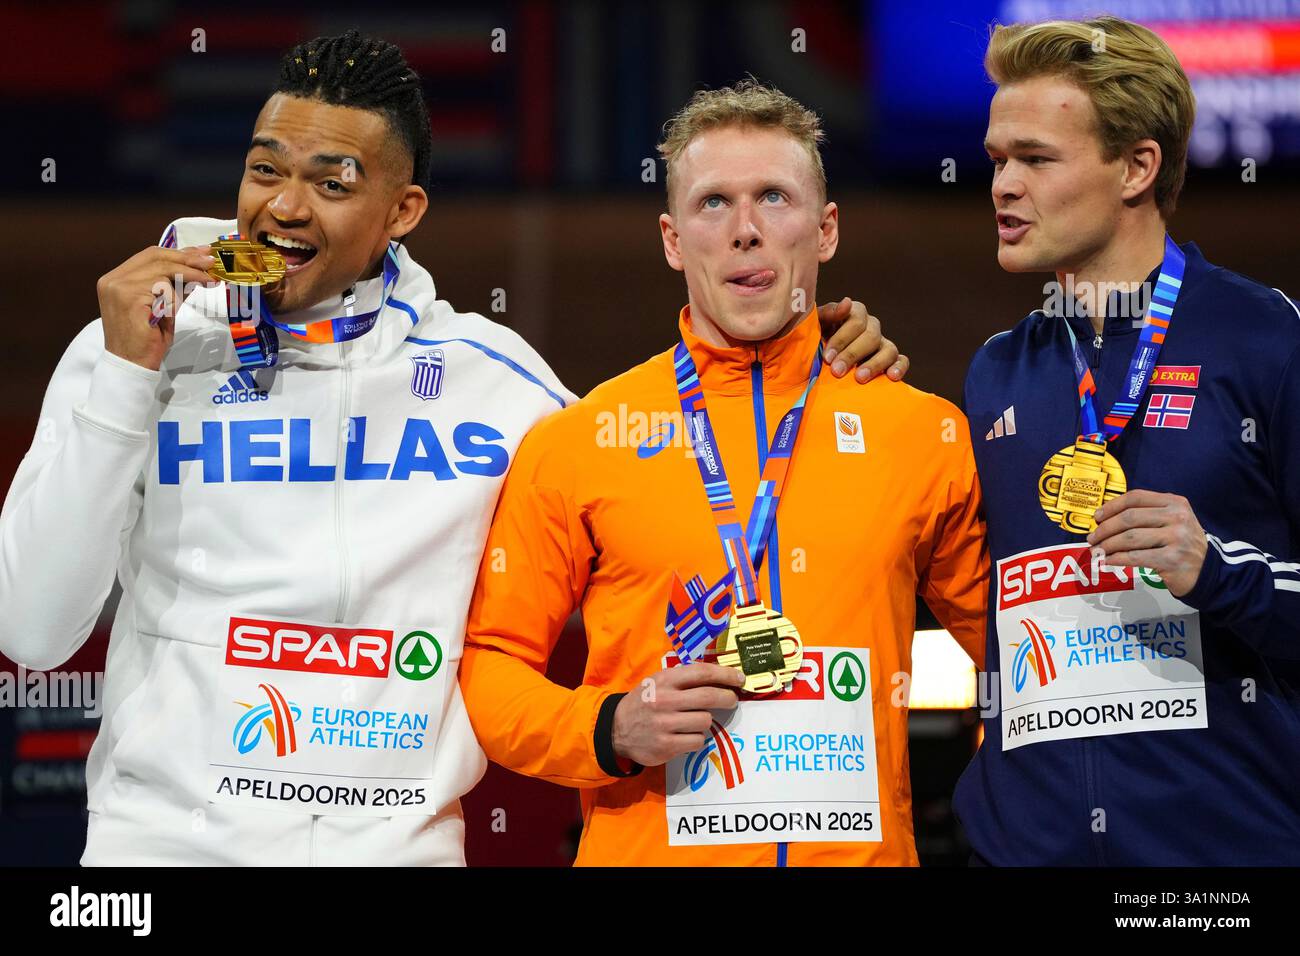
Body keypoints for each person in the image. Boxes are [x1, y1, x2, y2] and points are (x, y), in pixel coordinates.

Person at [0, 33, 900, 866]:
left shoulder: (491, 378)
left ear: (404, 209)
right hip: (160, 855)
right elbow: (32, 633)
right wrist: (124, 376)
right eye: (264, 169)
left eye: (333, 181)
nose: (281, 204)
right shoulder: (139, 350)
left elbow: (672, 474)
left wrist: (807, 365)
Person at [458, 80, 988, 866]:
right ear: (673, 239)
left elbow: (1015, 654)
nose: (745, 231)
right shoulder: (583, 439)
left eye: (774, 197)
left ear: (826, 228)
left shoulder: (921, 431)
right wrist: (607, 728)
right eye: (714, 204)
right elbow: (492, 668)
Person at [956, 16, 1300, 864]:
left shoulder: (1264, 338)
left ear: (1137, 168)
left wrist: (1219, 573)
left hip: (1219, 865)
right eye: (998, 159)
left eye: (1036, 160)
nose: (1002, 185)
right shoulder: (997, 371)